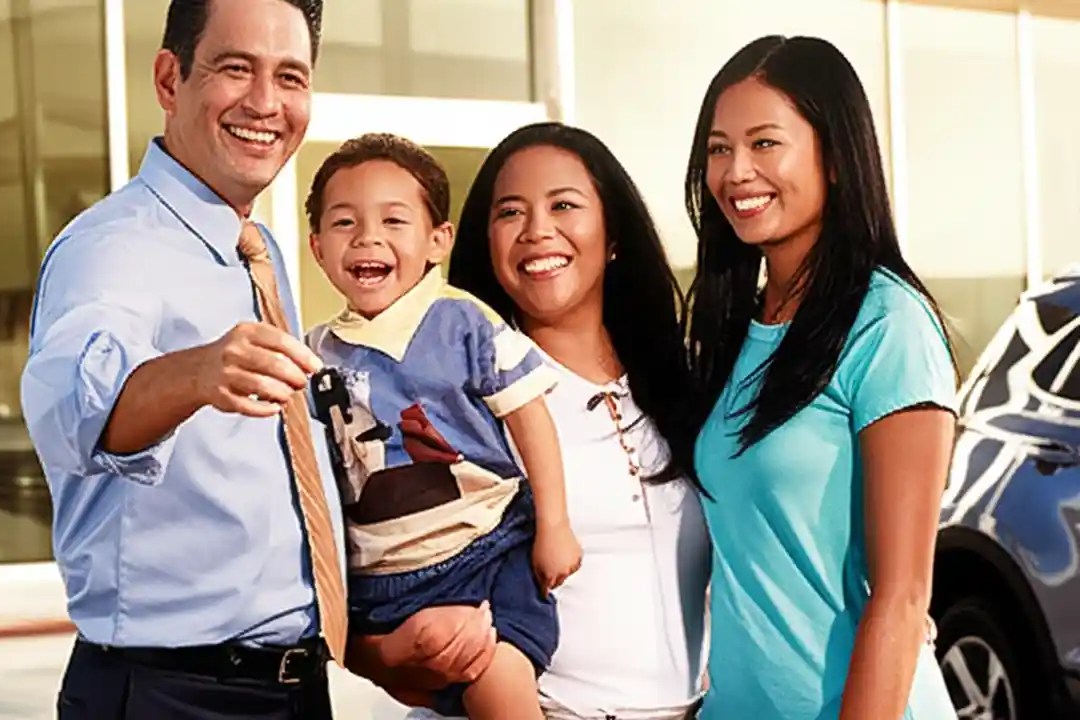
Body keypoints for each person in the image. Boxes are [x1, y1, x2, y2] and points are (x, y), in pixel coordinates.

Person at [20, 1, 346, 718]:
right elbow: (78, 407)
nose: (266, 103)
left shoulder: (253, 253)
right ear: (170, 79)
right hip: (176, 695)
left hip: (288, 688)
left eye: (290, 77)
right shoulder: (114, 248)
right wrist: (193, 374)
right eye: (236, 69)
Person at [345, 122, 712, 720]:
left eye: (563, 205)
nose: (538, 230)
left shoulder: (682, 383)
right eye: (510, 212)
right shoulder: (451, 398)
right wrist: (383, 655)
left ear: (613, 232)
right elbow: (367, 574)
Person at [684, 35, 959, 720]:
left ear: (834, 157)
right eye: (719, 149)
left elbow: (901, 599)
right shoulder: (733, 332)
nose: (736, 172)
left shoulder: (888, 323)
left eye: (765, 143)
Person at [304, 132, 580, 720]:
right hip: (382, 579)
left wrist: (555, 524)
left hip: (485, 549)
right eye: (345, 223)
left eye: (393, 221)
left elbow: (529, 413)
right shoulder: (315, 353)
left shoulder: (461, 322)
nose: (368, 238)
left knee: (497, 676)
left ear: (438, 240)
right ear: (317, 247)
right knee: (435, 694)